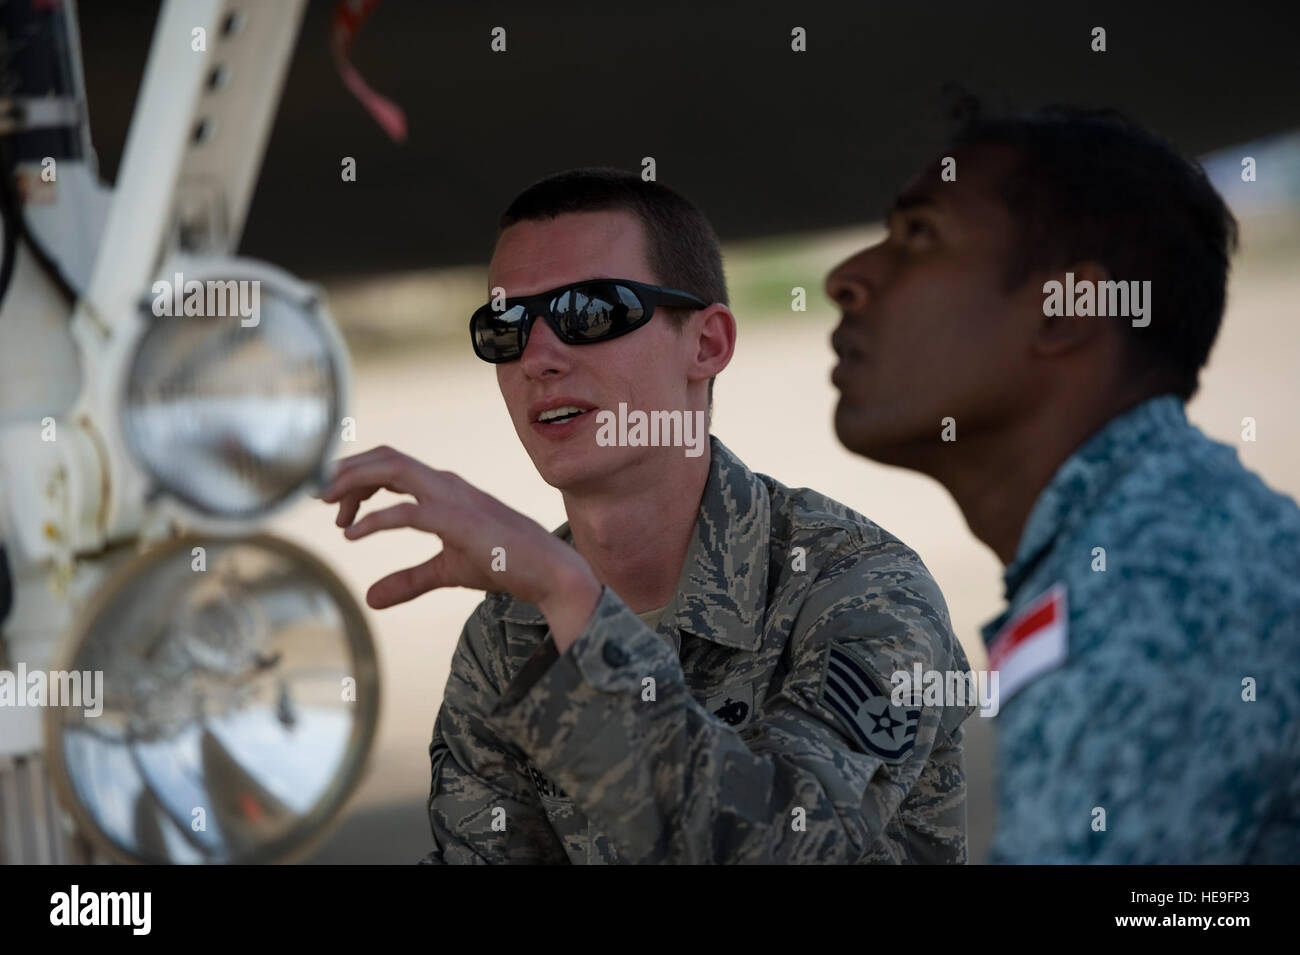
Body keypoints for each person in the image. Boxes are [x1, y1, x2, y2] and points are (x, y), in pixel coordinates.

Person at [320, 168, 975, 863]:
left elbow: (782, 847)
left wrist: (573, 602)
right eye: (507, 325)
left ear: (707, 344)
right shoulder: (506, 633)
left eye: (591, 313)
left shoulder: (860, 587)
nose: (538, 358)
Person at [825, 105, 1300, 863]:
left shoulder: (1153, 594)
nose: (845, 278)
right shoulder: (1165, 532)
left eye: (919, 235)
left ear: (1066, 310)